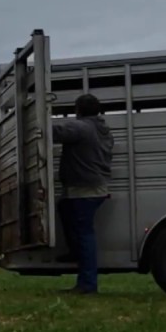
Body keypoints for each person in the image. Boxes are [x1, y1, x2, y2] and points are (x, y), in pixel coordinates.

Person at [52, 93, 114, 294]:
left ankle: (87, 284)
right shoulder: (102, 129)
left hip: (84, 190)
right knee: (64, 208)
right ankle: (75, 252)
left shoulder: (82, 127)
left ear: (78, 110)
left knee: (85, 233)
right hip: (93, 188)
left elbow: (53, 132)